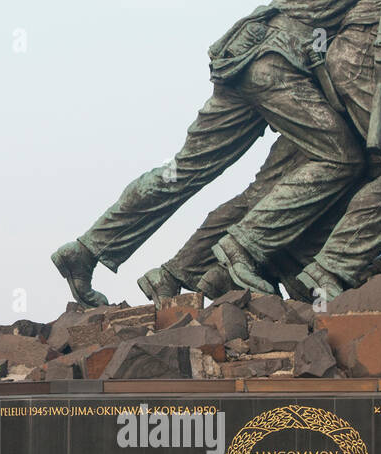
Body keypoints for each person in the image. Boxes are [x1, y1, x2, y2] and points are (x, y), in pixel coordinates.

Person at [51, 1, 364, 303]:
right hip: (279, 64)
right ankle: (244, 246)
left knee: (182, 172)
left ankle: (86, 249)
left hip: (248, 55)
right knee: (342, 157)